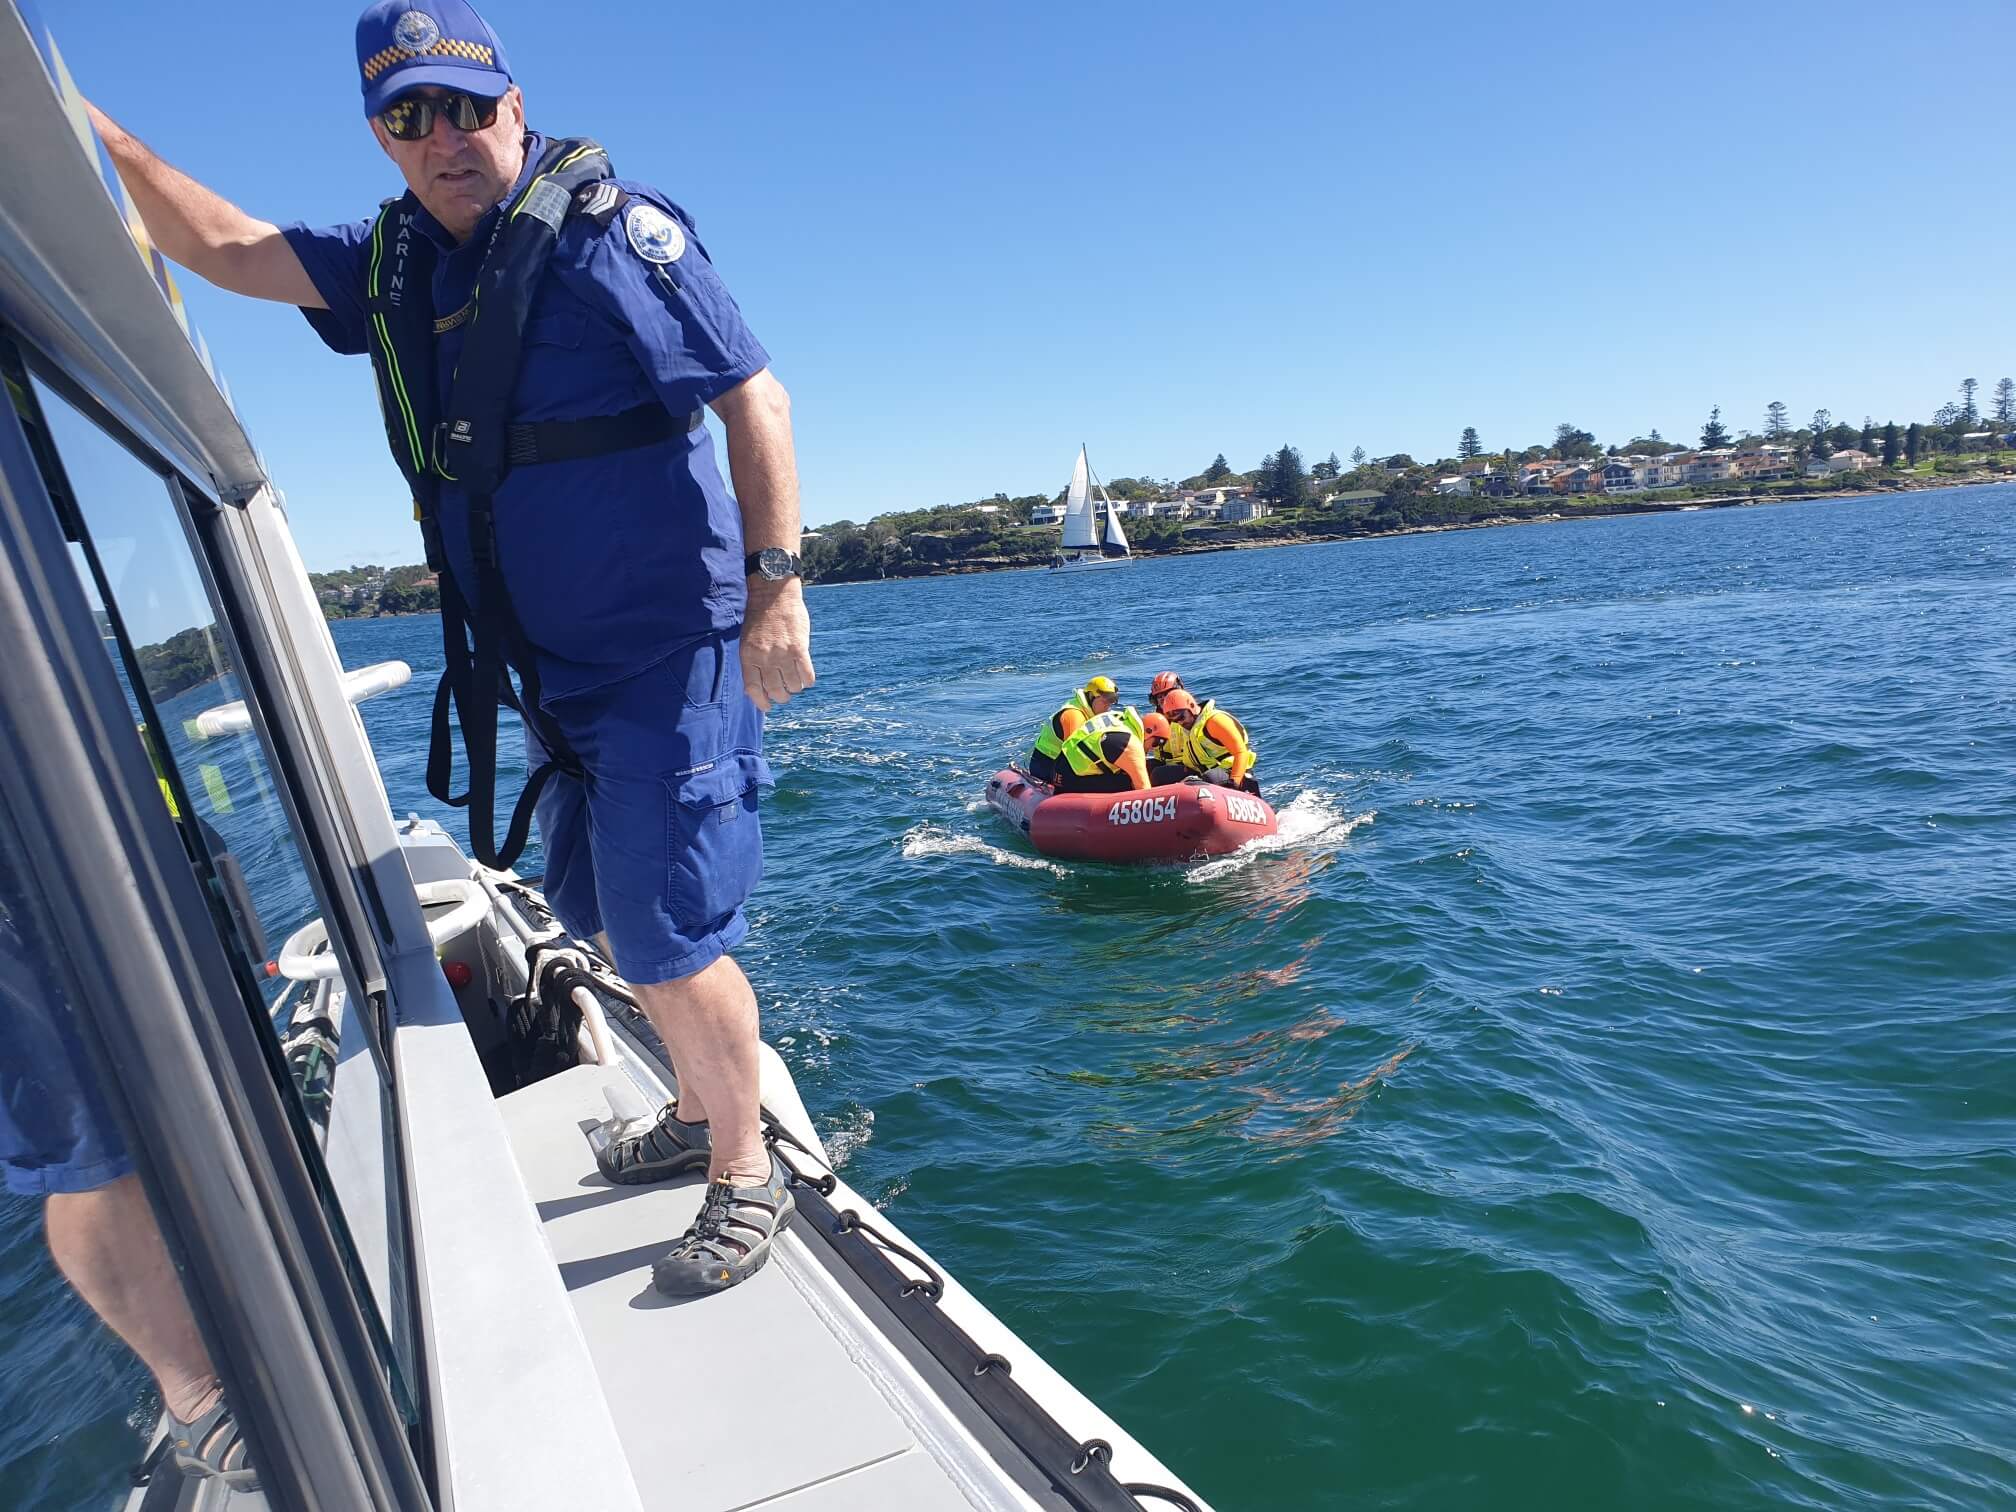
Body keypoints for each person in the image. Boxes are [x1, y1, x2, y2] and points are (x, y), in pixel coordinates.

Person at [88, 0, 813, 1297]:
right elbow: (229, 247)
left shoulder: (612, 238)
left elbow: (754, 394)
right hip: (554, 677)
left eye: (468, 106)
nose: (446, 136)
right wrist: (81, 129)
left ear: (514, 110)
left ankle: (745, 1167)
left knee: (665, 937)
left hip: (667, 655)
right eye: (411, 114)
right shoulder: (396, 267)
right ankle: (704, 1109)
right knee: (596, 912)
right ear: (383, 134)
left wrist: (776, 594)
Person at [1, 882, 257, 1490]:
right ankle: (191, 1393)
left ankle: (238, 1312)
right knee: (88, 1139)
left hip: (67, 847)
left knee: (169, 1092)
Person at [1161, 689, 1260, 796]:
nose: (1180, 722)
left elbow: (1241, 753)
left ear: (1191, 706)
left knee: (1210, 777)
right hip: (1203, 773)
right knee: (1160, 774)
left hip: (1233, 775)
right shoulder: (1190, 728)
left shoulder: (1214, 721)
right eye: (1175, 721)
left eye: (1181, 717)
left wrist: (1234, 783)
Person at [1027, 674, 1119, 784]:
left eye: (1112, 701)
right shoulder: (1073, 715)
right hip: (1047, 765)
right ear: (1091, 697)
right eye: (1105, 701)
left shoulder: (1093, 712)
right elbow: (1076, 756)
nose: (1109, 706)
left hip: (1064, 762)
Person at [1052, 709, 1152, 794]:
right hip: (1070, 778)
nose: (1153, 749)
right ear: (1149, 732)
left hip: (1061, 764)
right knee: (1127, 783)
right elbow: (1144, 791)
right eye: (1156, 743)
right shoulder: (1131, 745)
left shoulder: (1119, 719)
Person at [1140, 712, 1190, 787]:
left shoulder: (1183, 724)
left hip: (1186, 766)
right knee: (1145, 767)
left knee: (1158, 774)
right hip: (1163, 762)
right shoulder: (1155, 722)